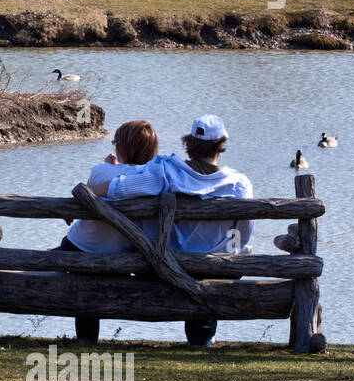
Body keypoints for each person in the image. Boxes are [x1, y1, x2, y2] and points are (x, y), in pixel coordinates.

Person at [91, 114, 254, 347]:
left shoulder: (166, 171)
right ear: (221, 145)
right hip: (216, 266)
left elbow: (117, 189)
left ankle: (202, 337)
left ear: (189, 144)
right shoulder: (238, 183)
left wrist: (89, 188)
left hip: (166, 263)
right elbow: (244, 232)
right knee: (218, 262)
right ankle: (203, 338)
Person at [59, 120, 159, 343]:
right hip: (119, 260)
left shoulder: (100, 171)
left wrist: (108, 167)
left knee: (83, 283)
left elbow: (86, 193)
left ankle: (86, 339)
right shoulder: (150, 177)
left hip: (78, 249)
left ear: (120, 148)